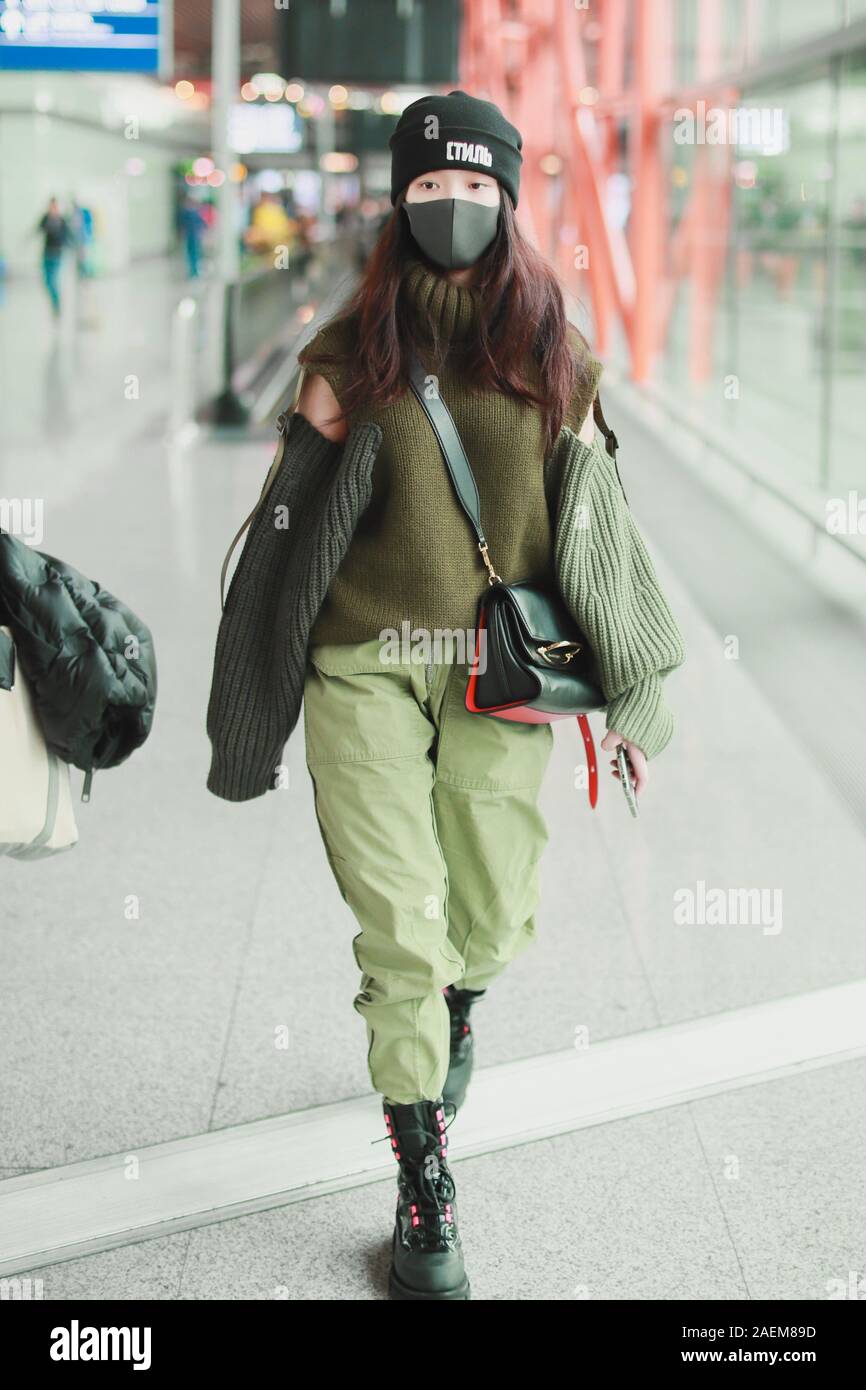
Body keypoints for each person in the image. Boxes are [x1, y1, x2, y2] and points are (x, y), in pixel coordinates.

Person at [206, 90, 685, 1300]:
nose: (453, 209)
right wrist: (246, 706)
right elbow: (280, 540)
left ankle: (461, 1009)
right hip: (363, 665)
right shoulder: (348, 352)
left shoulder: (549, 352)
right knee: (401, 930)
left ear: (508, 202)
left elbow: (596, 531)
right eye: (429, 189)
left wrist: (628, 685)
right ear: (396, 199)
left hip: (493, 672)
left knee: (488, 909)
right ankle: (423, 1174)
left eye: (475, 190)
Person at [37, 198, 71, 317]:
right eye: (51, 206)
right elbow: (38, 230)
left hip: (57, 255)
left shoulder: (62, 221)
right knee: (46, 281)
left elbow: (68, 237)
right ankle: (55, 302)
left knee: (53, 281)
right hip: (46, 253)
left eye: (55, 207)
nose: (53, 209)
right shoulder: (46, 218)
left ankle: (57, 304)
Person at [178, 195, 207, 279]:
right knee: (191, 253)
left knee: (194, 253)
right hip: (192, 236)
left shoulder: (193, 213)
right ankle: (193, 271)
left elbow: (202, 224)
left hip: (194, 236)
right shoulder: (189, 213)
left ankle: (194, 271)